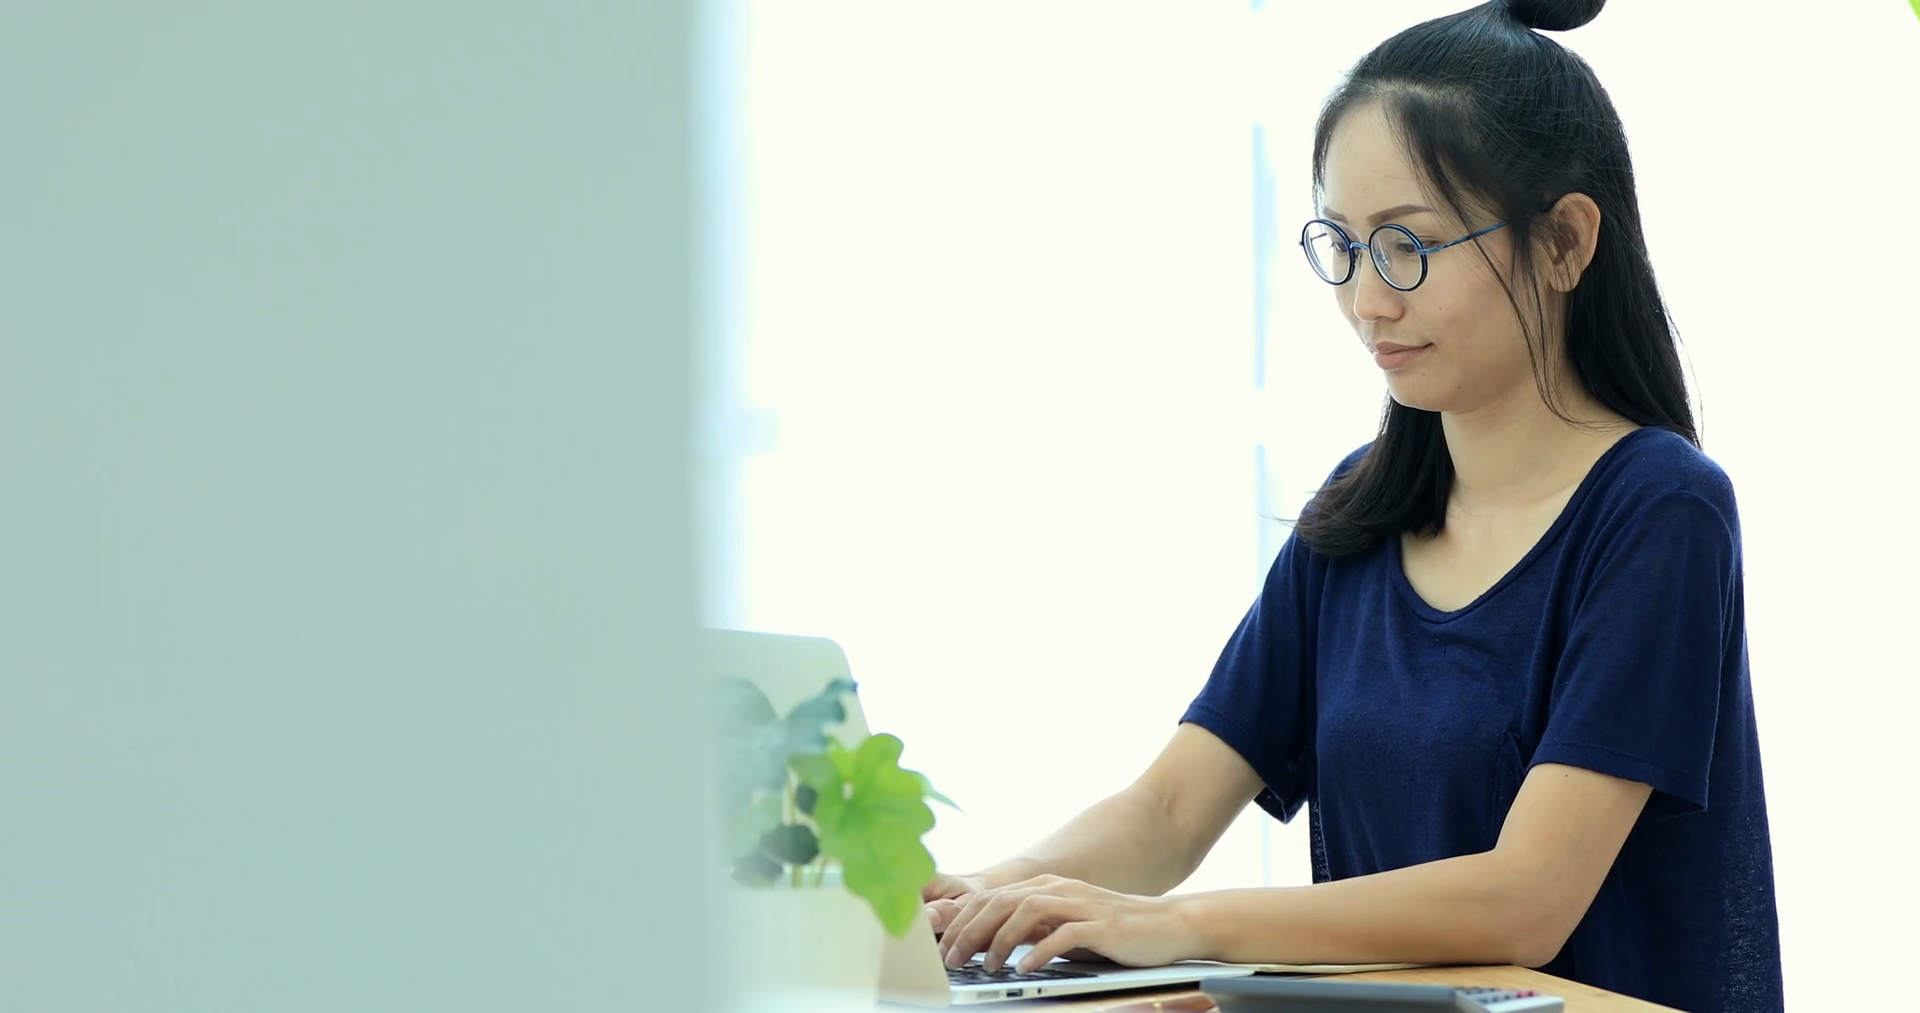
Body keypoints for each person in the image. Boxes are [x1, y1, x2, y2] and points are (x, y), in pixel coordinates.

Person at [919, 2, 1783, 1012]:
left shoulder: (1659, 507)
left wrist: (1178, 923)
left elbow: (1527, 896)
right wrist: (985, 894)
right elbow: (1166, 809)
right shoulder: (1360, 510)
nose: (1369, 300)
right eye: (1343, 243)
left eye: (1407, 247)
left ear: (1564, 242)